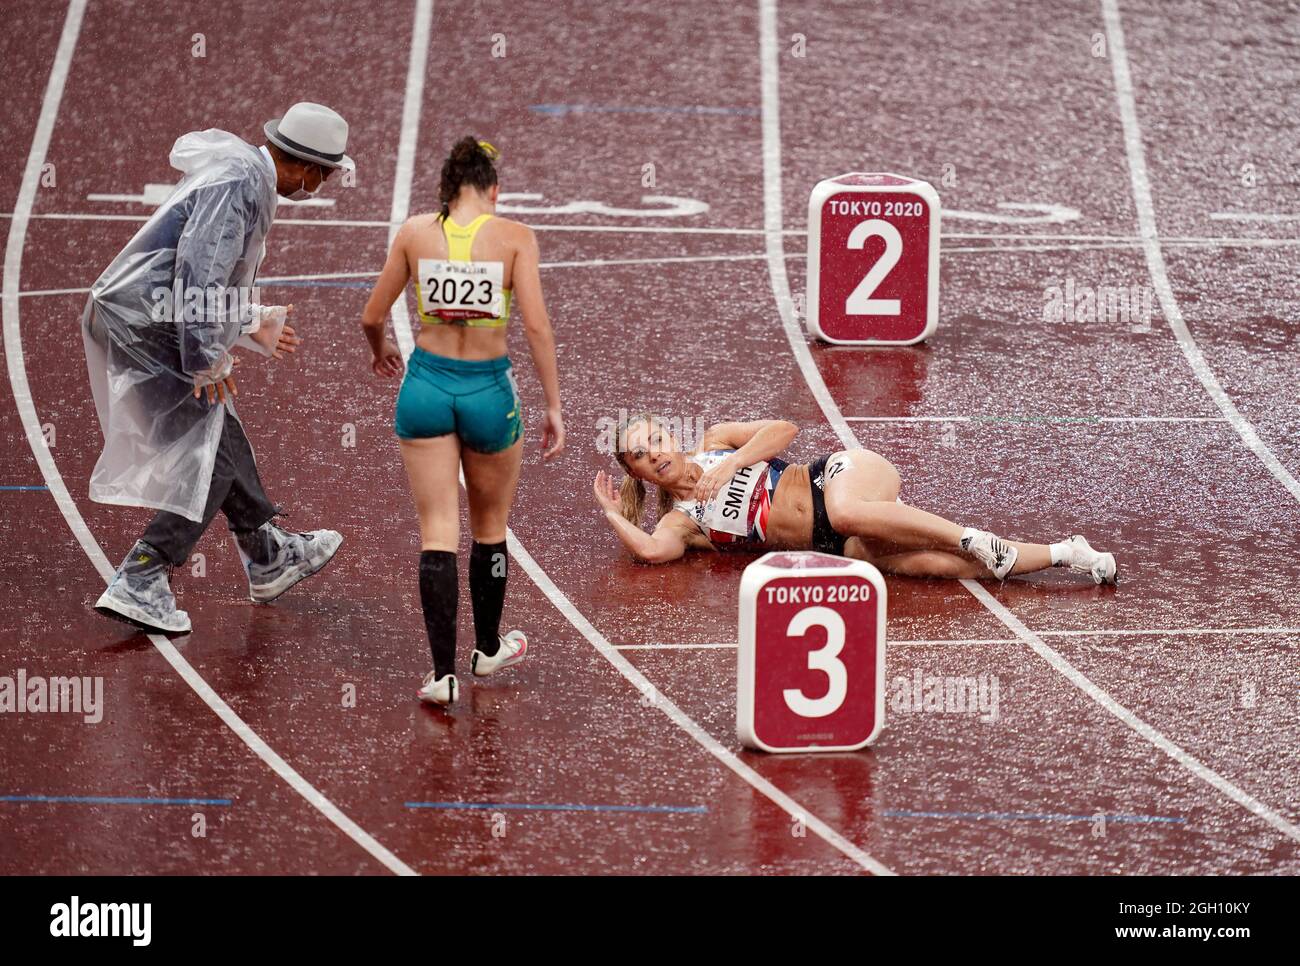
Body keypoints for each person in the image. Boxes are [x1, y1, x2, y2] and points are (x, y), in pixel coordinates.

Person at [83, 103, 355, 634]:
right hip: (146, 323)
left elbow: (193, 269)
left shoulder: (245, 171)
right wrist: (207, 358)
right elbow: (199, 273)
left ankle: (269, 554)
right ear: (306, 166)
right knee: (208, 449)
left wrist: (249, 319)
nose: (322, 184)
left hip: (145, 314)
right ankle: (143, 573)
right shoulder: (241, 183)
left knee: (219, 435)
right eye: (325, 174)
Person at [361, 137, 564, 707]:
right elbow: (538, 328)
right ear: (493, 189)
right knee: (490, 525)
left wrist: (380, 352)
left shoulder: (415, 233)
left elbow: (371, 315)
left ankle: (441, 674)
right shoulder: (514, 238)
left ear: (446, 189)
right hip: (487, 391)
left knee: (436, 533)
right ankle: (489, 647)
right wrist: (552, 405)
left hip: (425, 388)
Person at [593, 413, 1118, 583]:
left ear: (669, 435)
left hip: (837, 478)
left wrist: (732, 462)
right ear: (637, 472)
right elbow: (651, 552)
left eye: (655, 439)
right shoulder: (682, 521)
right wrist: (615, 515)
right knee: (938, 567)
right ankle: (1063, 553)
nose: (654, 453)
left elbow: (784, 428)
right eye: (640, 454)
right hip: (832, 543)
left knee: (847, 510)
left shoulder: (713, 442)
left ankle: (972, 535)